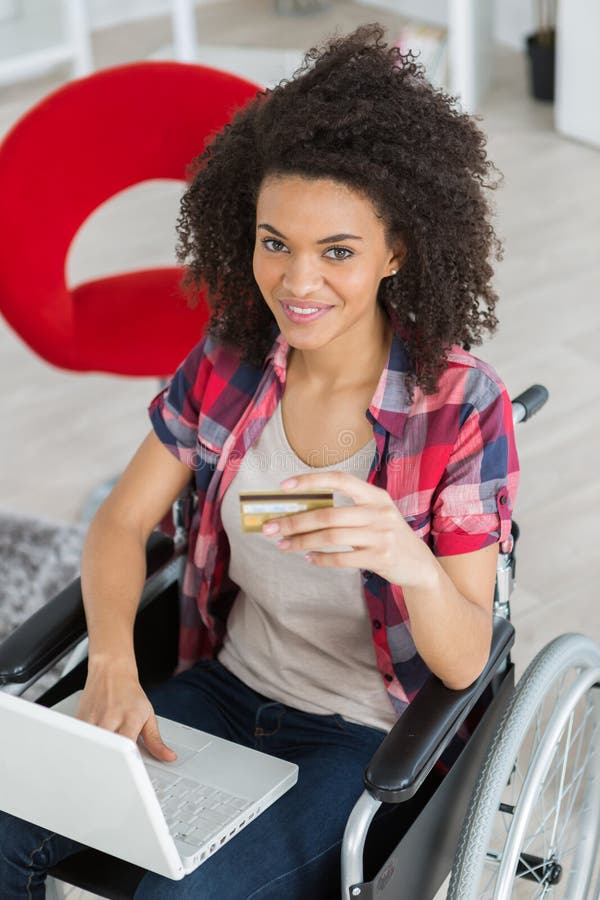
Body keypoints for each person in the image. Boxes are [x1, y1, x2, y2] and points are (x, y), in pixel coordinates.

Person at [0, 22, 519, 900]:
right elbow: (123, 522)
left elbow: (468, 661)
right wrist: (115, 670)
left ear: (398, 252)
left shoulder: (461, 405)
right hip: (225, 689)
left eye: (339, 252)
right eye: (275, 241)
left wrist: (406, 557)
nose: (297, 282)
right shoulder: (233, 360)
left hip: (362, 736)